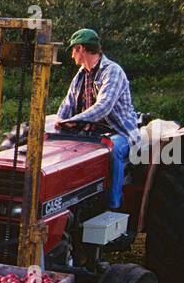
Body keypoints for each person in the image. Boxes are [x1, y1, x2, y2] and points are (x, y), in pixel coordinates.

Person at [54, 28, 141, 207]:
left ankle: (113, 205)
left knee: (112, 150)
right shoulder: (80, 76)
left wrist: (74, 121)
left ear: (81, 48)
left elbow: (103, 107)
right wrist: (59, 122)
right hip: (91, 132)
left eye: (73, 50)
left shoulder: (112, 72)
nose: (71, 56)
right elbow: (67, 104)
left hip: (120, 132)